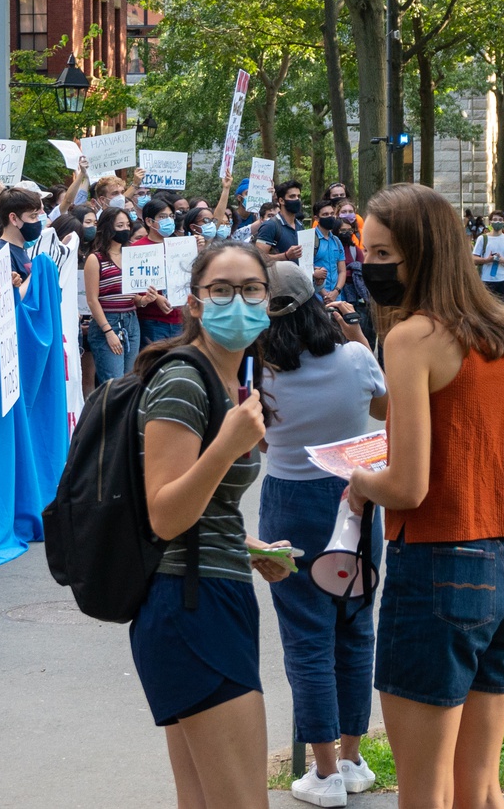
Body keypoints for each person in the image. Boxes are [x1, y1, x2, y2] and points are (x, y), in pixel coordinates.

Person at [345, 184, 504, 809]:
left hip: (434, 573)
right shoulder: (503, 331)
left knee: (425, 793)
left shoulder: (410, 338)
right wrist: (484, 491)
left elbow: (407, 485)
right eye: (367, 249)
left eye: (383, 251)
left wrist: (361, 483)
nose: (370, 264)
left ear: (421, 252)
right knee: (479, 787)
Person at [130, 241, 294, 809]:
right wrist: (227, 446)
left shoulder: (224, 381)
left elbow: (201, 510)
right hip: (189, 605)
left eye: (251, 290)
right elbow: (166, 514)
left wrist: (249, 546)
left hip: (209, 593)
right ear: (195, 303)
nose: (238, 303)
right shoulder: (184, 380)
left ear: (268, 301)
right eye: (220, 291)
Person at [257, 262, 385, 806]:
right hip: (354, 497)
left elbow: (261, 443)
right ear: (317, 303)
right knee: (355, 629)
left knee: (306, 638)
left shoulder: (260, 372)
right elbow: (385, 407)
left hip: (288, 502)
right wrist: (358, 336)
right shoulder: (355, 359)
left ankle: (324, 770)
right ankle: (354, 758)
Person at [85, 206, 147, 383]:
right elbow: (92, 299)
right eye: (120, 225)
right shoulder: (95, 259)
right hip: (108, 320)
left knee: (129, 380)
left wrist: (144, 300)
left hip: (131, 319)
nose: (125, 229)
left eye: (128, 225)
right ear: (108, 227)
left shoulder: (131, 256)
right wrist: (108, 331)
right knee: (114, 381)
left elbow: (131, 294)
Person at [136, 197, 187, 343]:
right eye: (163, 217)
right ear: (149, 221)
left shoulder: (180, 245)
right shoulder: (137, 249)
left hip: (179, 320)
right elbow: (133, 287)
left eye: (171, 216)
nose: (169, 221)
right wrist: (156, 297)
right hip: (152, 321)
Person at [0, 186, 46, 287]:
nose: (38, 222)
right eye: (33, 216)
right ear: (13, 218)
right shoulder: (1, 251)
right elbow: (10, 298)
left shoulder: (19, 249)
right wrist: (37, 270)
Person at [470, 212, 504, 306]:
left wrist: (503, 260)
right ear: (490, 222)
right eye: (495, 220)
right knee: (487, 310)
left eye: (500, 220)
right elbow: (473, 259)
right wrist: (487, 260)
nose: (497, 222)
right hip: (486, 280)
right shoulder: (482, 239)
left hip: (503, 281)